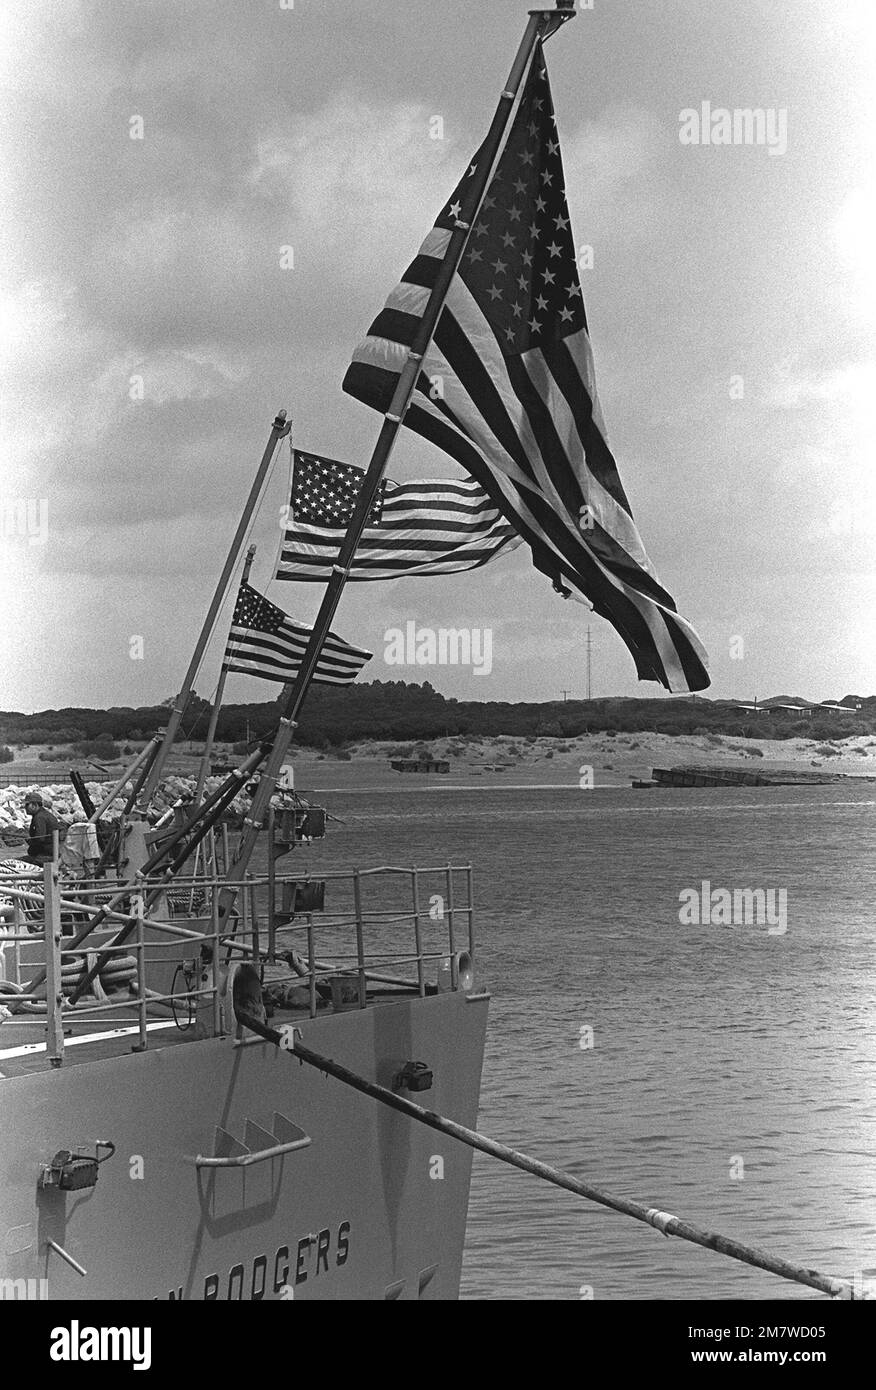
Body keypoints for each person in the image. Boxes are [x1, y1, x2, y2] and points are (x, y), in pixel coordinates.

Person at [10, 793, 63, 866]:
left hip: (46, 856)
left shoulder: (39, 817)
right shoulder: (45, 814)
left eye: (27, 805)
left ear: (34, 805)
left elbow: (40, 839)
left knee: (13, 863)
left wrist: (30, 840)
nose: (25, 807)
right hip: (52, 854)